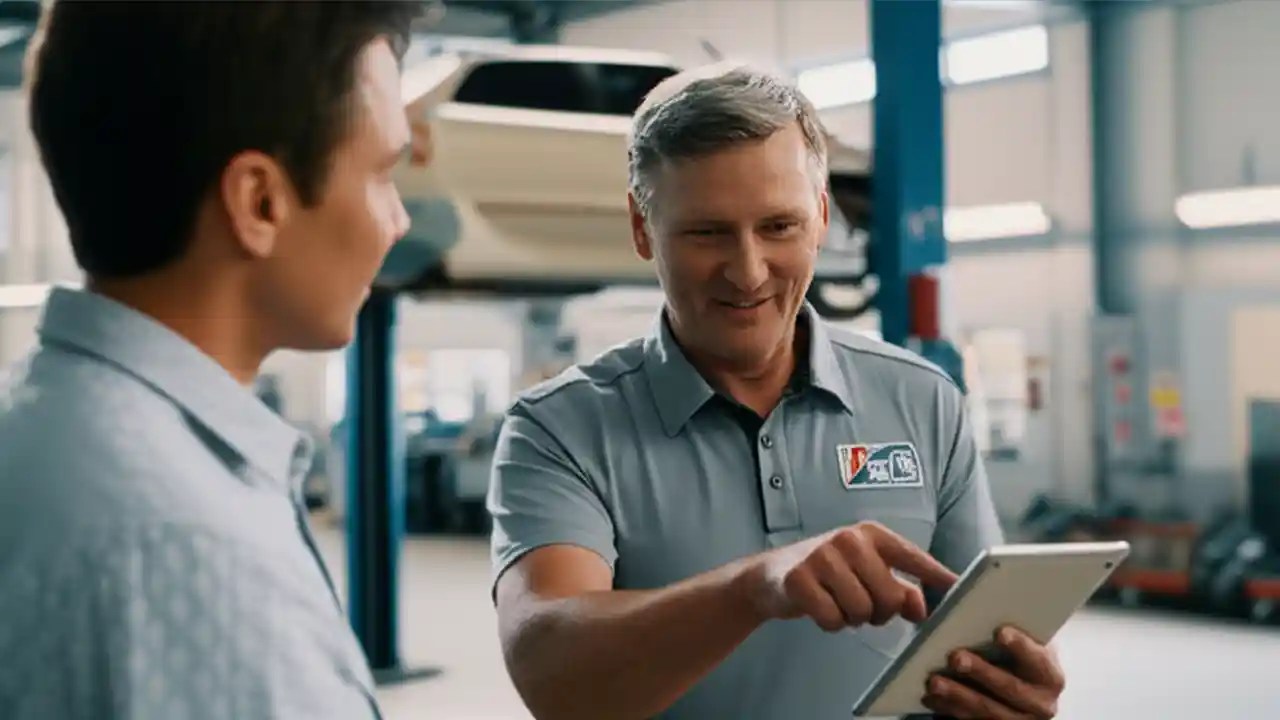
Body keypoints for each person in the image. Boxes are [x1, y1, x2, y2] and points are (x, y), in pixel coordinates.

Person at [487, 66, 1067, 720]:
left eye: (779, 227)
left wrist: (1009, 690)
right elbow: (550, 674)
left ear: (821, 216)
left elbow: (978, 632)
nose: (748, 271)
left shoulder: (922, 400)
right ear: (643, 227)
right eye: (707, 233)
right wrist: (754, 587)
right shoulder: (560, 429)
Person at [0, 2, 417, 718]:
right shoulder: (186, 550)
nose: (399, 219)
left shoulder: (50, 432)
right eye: (382, 175)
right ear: (259, 202)